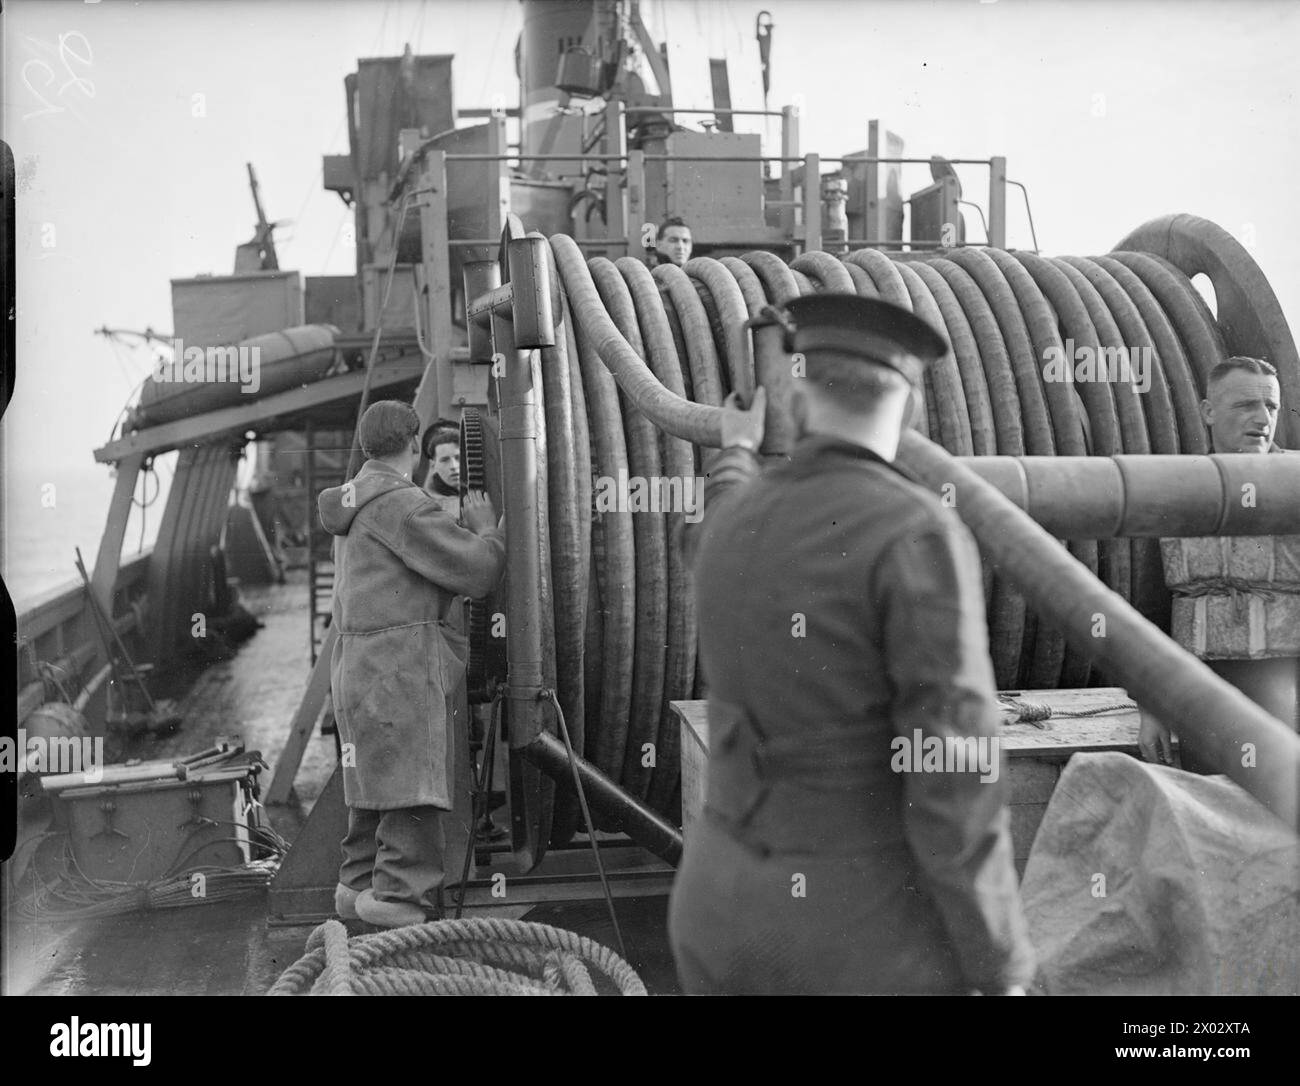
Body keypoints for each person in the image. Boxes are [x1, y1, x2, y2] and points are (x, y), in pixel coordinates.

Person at [668, 294, 1035, 995]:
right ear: (915, 408)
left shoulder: (729, 525)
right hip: (853, 938)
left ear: (799, 398)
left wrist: (736, 451)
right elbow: (953, 772)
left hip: (716, 913)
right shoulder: (916, 531)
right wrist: (1002, 964)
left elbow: (712, 523)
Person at [318, 400, 505, 927]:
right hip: (398, 668)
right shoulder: (403, 506)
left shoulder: (350, 503)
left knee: (372, 785)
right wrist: (487, 528)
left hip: (355, 665)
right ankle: (398, 909)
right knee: (412, 787)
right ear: (414, 446)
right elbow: (478, 571)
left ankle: (357, 893)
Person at [1141, 355, 1298, 767]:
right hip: (1205, 696)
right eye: (1245, 405)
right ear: (1208, 412)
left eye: (1271, 406)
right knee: (1213, 816)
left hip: (1285, 689)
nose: (1262, 418)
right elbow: (1151, 610)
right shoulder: (1176, 492)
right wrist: (1151, 706)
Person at [421, 420, 462, 512]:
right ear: (433, 465)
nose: (454, 466)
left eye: (458, 458)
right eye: (445, 460)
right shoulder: (429, 505)